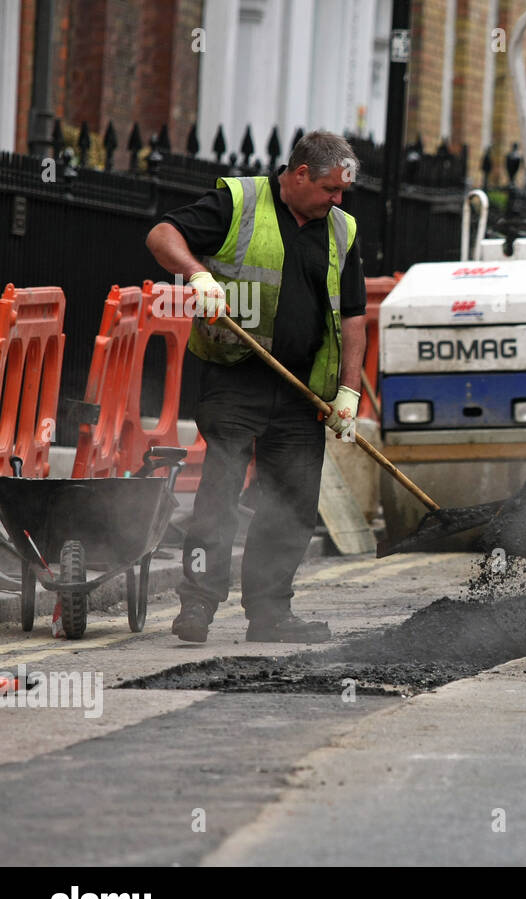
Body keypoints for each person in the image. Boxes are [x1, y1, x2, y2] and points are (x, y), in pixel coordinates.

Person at [145, 130, 367, 644]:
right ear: (301, 174)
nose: (337, 201)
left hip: (300, 389)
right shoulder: (239, 202)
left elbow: (353, 316)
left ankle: (270, 614)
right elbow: (162, 236)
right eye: (330, 190)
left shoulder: (342, 229)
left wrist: (348, 393)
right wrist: (198, 276)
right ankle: (197, 605)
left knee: (290, 501)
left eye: (343, 194)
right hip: (235, 375)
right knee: (219, 492)